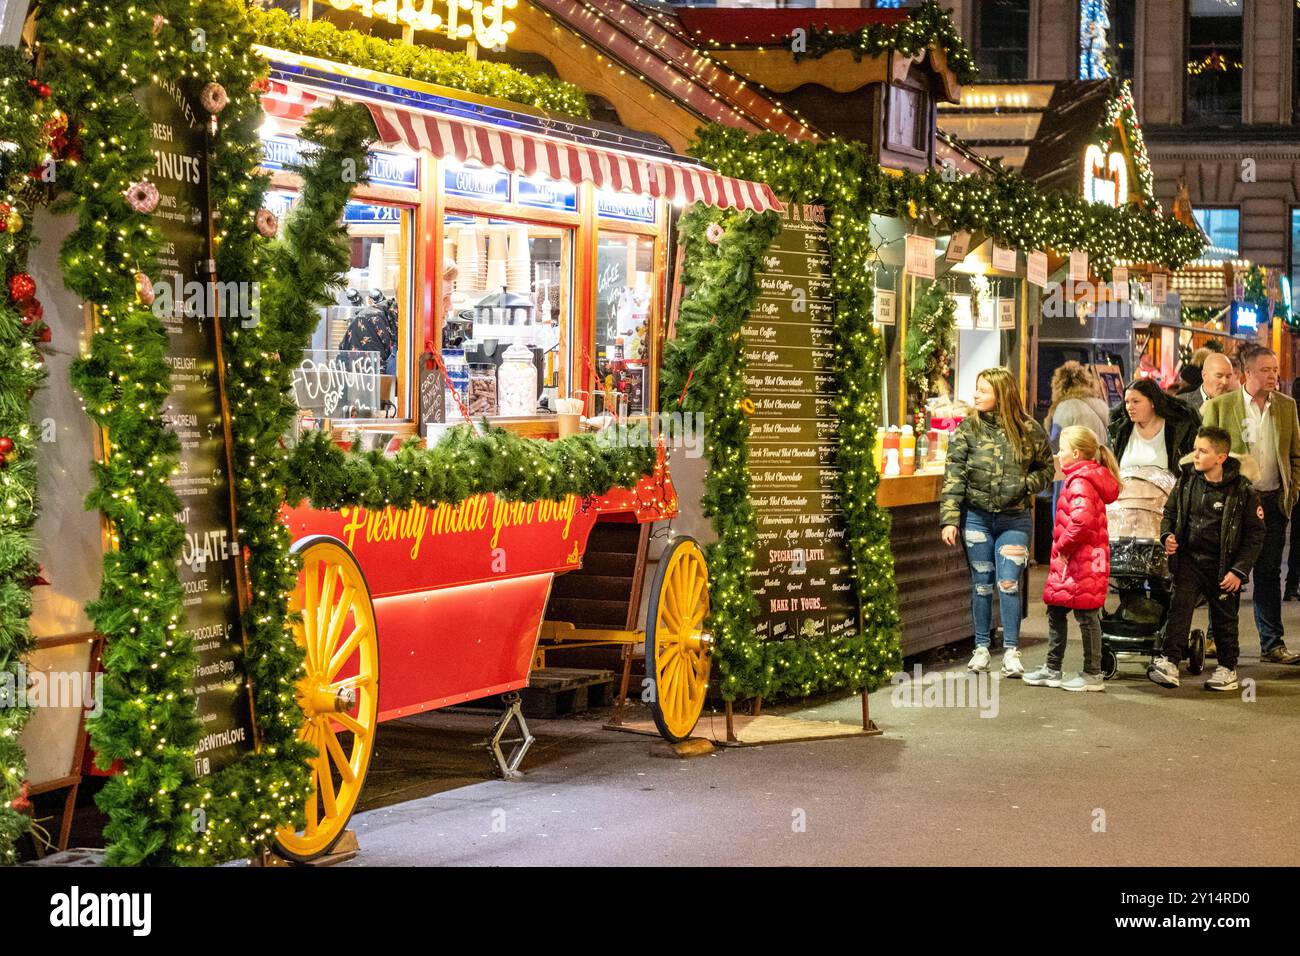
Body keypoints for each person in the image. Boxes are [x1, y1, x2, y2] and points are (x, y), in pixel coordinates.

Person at [940, 367, 1054, 678]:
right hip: (975, 518)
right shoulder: (966, 430)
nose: (976, 394)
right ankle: (980, 648)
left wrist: (1023, 484)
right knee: (981, 585)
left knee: (1009, 583)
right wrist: (949, 520)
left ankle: (1011, 651)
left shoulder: (1029, 430)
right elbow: (954, 477)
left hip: (1014, 519)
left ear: (1001, 395)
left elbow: (1047, 469)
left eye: (983, 390)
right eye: (976, 389)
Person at [1201, 343, 1300, 663]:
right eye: (1266, 370)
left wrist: (1292, 492)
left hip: (1272, 502)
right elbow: (1204, 454)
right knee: (1228, 572)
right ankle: (1218, 639)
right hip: (1233, 504)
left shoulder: (1286, 407)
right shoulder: (1222, 406)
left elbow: (1295, 455)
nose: (1274, 376)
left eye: (1275, 370)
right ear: (1247, 373)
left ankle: (1272, 644)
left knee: (1269, 574)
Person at [1147, 426, 1265, 691]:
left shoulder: (1243, 491)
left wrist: (1239, 571)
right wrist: (1168, 536)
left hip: (1224, 566)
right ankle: (1170, 662)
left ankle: (1227, 668)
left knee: (1224, 618)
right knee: (1179, 609)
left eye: (1202, 451)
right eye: (1195, 450)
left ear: (1221, 457)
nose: (1196, 456)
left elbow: (1256, 535)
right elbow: (1170, 512)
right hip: (1189, 560)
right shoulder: (1187, 480)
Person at [1024, 425, 1121, 692]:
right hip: (1078, 560)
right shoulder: (1081, 478)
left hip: (1079, 560)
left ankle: (1092, 673)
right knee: (1057, 610)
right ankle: (1052, 668)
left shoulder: (1080, 481)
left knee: (1086, 615)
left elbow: (1081, 521)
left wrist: (1063, 547)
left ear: (1076, 453)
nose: (1059, 453)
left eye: (1062, 449)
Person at [1110, 377, 1200, 474]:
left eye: (1135, 401)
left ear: (1152, 402)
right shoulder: (1121, 431)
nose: (1129, 407)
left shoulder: (1178, 430)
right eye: (1127, 402)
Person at [1044, 361, 1110, 448]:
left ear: (1059, 385)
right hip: (1101, 460)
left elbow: (1056, 444)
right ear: (1087, 382)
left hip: (1077, 460)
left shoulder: (1064, 408)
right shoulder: (1103, 405)